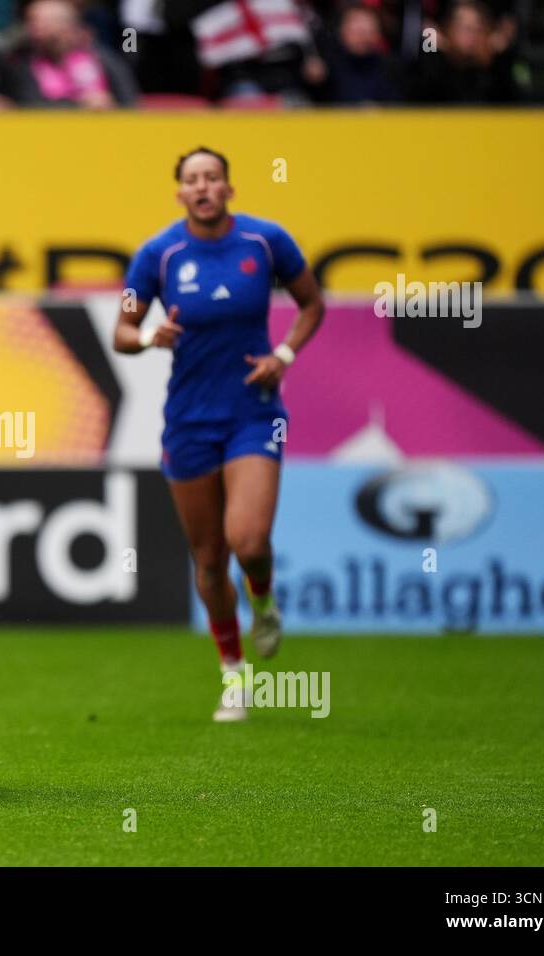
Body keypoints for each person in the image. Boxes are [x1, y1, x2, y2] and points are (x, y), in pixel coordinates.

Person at [112, 147, 324, 722]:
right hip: (188, 421)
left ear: (229, 187)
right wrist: (149, 335)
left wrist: (283, 353)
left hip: (254, 412)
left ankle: (263, 597)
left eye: (212, 178)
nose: (203, 187)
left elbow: (311, 304)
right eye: (191, 180)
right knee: (208, 557)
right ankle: (234, 674)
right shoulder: (157, 255)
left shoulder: (266, 241)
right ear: (179, 193)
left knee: (249, 542)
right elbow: (122, 332)